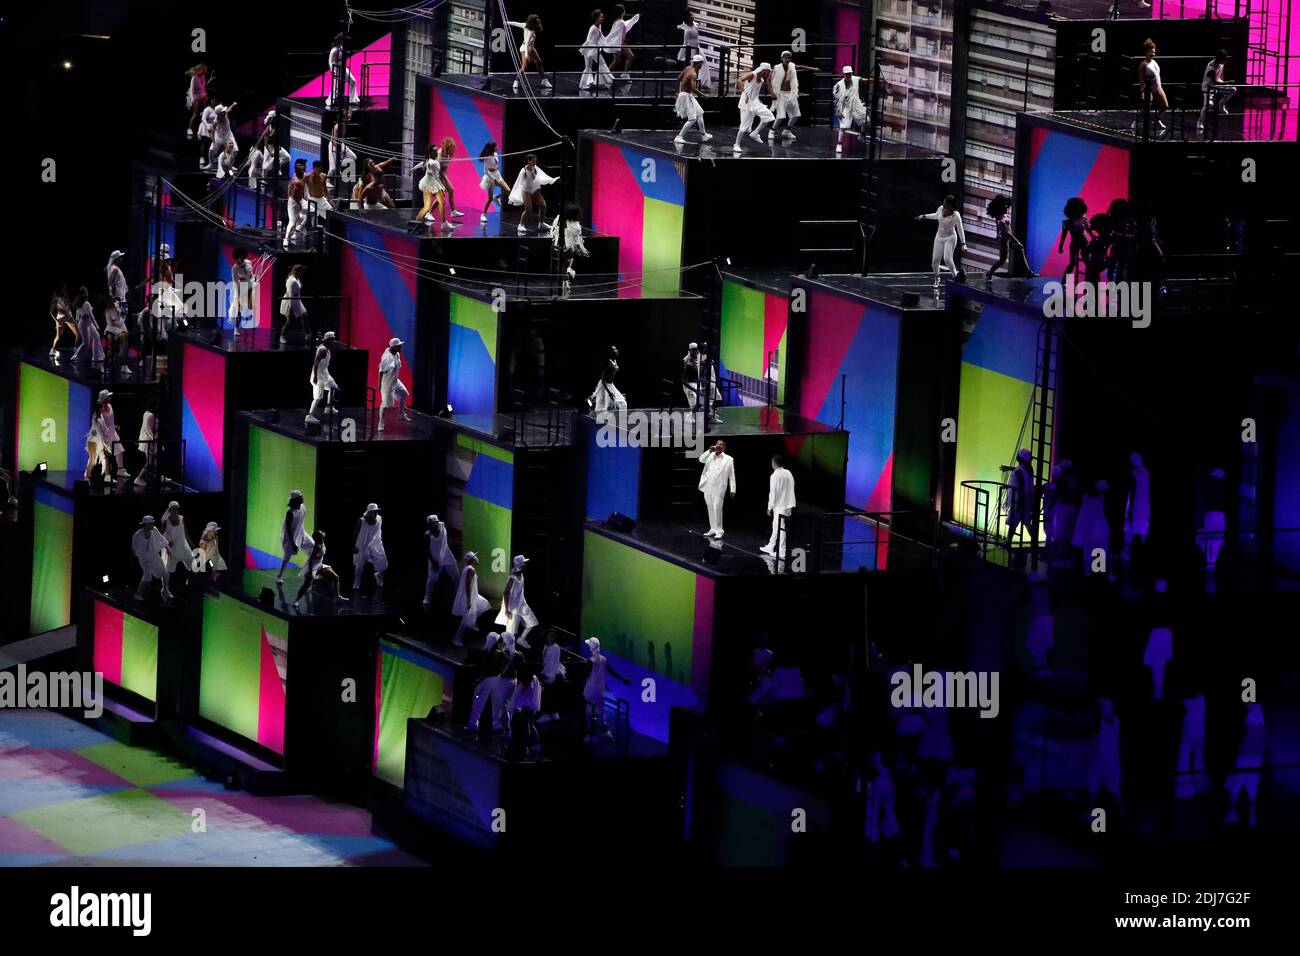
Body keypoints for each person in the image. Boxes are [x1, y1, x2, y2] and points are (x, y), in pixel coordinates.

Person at [1223, 703, 1266, 826]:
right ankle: (1252, 818)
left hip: (1244, 760)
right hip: (1255, 761)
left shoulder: (1249, 730)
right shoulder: (1263, 731)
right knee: (1252, 789)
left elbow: (1243, 747)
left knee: (1234, 786)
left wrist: (1236, 761)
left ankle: (1233, 815)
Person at [916, 196, 967, 294]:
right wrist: (924, 216)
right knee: (935, 261)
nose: (944, 204)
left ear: (951, 206)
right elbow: (935, 215)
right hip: (939, 237)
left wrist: (963, 243)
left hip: (950, 237)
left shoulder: (956, 215)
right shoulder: (940, 209)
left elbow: (960, 229)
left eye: (946, 203)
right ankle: (937, 279)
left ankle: (955, 276)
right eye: (944, 202)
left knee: (947, 259)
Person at [582, 637, 629, 740]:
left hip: (590, 690)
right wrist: (622, 679)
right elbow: (612, 672)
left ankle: (590, 734)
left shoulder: (590, 661)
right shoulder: (604, 659)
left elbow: (584, 677)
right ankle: (607, 733)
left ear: (591, 647)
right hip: (600, 690)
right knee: (601, 712)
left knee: (588, 713)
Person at [770, 51, 817, 142]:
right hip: (781, 94)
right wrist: (772, 93)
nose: (787, 59)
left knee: (796, 114)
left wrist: (813, 68)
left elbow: (801, 67)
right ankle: (772, 130)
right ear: (782, 58)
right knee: (781, 116)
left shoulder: (792, 66)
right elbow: (770, 79)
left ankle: (787, 131)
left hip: (791, 94)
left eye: (789, 57)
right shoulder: (776, 68)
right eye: (786, 57)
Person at [293, 530, 349, 606]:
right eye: (320, 534)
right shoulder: (317, 546)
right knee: (306, 584)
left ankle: (338, 596)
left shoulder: (322, 540)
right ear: (317, 538)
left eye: (321, 533)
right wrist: (310, 571)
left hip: (319, 564)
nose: (322, 534)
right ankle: (296, 600)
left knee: (336, 577)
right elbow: (311, 560)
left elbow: (324, 533)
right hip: (313, 565)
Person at [985, 195, 1032, 280]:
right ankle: (989, 273)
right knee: (1002, 260)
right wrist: (1017, 241)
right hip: (1005, 240)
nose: (1007, 207)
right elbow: (1007, 233)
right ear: (1000, 207)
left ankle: (1028, 272)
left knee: (1020, 250)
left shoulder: (1003, 215)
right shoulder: (1001, 219)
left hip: (1007, 239)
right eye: (1005, 205)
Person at [508, 154, 558, 234]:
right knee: (529, 209)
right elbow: (519, 183)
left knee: (543, 205)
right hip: (526, 190)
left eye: (536, 161)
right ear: (528, 161)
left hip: (534, 189)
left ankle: (541, 224)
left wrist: (549, 180)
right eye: (533, 161)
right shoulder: (523, 171)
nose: (535, 163)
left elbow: (541, 176)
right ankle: (521, 224)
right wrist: (520, 194)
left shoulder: (535, 168)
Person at [495, 554, 538, 646]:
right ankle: (508, 652)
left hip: (522, 605)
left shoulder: (521, 574)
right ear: (520, 565)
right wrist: (506, 610)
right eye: (524, 563)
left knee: (532, 622)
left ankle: (521, 639)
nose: (526, 565)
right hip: (513, 608)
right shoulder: (512, 578)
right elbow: (506, 593)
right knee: (510, 634)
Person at [733, 63, 775, 154]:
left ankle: (755, 133)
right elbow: (739, 80)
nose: (769, 73)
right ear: (764, 70)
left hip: (755, 102)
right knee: (744, 126)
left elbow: (755, 92)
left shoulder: (763, 80)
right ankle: (736, 144)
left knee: (769, 116)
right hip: (746, 102)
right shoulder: (753, 75)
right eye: (768, 71)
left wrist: (757, 100)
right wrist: (745, 92)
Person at [1087, 698, 1122, 809]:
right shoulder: (1100, 723)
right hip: (1101, 760)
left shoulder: (1114, 722)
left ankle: (1120, 809)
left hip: (1110, 760)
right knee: (1093, 786)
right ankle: (1091, 809)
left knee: (1114, 787)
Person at [451, 551, 492, 645]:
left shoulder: (468, 568)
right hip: (469, 597)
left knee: (485, 605)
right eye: (475, 557)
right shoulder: (470, 569)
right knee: (465, 618)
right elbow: (467, 585)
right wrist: (469, 600)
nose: (477, 558)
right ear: (473, 559)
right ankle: (456, 638)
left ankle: (471, 623)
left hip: (474, 596)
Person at [699, 439, 736, 538]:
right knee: (710, 508)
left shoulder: (729, 459)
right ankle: (713, 528)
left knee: (717, 508)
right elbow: (701, 459)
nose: (718, 446)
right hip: (707, 486)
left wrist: (733, 489)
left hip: (719, 488)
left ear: (724, 447)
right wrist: (708, 451)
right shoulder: (710, 455)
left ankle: (719, 530)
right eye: (717, 444)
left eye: (721, 444)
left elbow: (732, 475)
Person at [1072, 479, 1111, 573]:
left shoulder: (1087, 498)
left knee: (1091, 550)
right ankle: (1096, 572)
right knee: (1098, 549)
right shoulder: (1099, 499)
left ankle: (1091, 572)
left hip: (1091, 528)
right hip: (1095, 528)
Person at [85, 389, 124, 481]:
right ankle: (87, 476)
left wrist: (113, 428)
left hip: (100, 440)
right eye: (101, 406)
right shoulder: (96, 417)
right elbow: (96, 431)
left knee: (105, 458)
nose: (103, 407)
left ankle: (106, 476)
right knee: (93, 460)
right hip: (94, 441)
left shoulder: (101, 417)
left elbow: (104, 428)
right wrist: (103, 440)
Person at [132, 516, 173, 601]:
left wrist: (168, 549)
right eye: (151, 523)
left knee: (166, 573)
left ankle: (165, 590)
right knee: (148, 578)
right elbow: (134, 549)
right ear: (146, 524)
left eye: (152, 523)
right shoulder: (137, 535)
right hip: (144, 560)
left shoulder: (154, 530)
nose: (153, 524)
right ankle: (138, 593)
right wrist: (141, 556)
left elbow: (162, 539)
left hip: (154, 556)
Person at [762, 455, 796, 557]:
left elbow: (773, 493)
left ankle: (782, 551)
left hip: (780, 505)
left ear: (774, 464)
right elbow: (792, 486)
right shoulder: (788, 472)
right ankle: (771, 545)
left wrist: (769, 507)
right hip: (788, 504)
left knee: (781, 527)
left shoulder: (774, 476)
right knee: (776, 526)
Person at [673, 55, 711, 145]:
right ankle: (679, 137)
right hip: (686, 96)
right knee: (692, 119)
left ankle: (704, 135)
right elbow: (694, 89)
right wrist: (703, 95)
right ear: (699, 63)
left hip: (686, 95)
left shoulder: (687, 68)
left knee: (700, 113)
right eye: (701, 63)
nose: (702, 66)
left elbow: (678, 79)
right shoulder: (693, 74)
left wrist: (677, 92)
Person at [508, 662, 543, 756]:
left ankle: (526, 746)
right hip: (529, 706)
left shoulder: (527, 683)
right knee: (530, 725)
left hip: (526, 706)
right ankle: (535, 744)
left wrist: (519, 707)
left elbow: (523, 695)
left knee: (526, 726)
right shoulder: (533, 678)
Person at [376, 337, 412, 433]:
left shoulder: (397, 354)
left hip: (395, 380)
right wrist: (379, 383)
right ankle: (381, 423)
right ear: (394, 347)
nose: (401, 347)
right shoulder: (386, 357)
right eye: (399, 346)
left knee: (404, 393)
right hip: (387, 382)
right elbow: (381, 370)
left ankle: (400, 414)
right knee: (385, 404)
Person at [423, 514, 459, 607]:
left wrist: (450, 540)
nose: (433, 525)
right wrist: (433, 562)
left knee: (456, 575)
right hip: (435, 559)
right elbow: (426, 551)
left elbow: (447, 534)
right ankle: (427, 597)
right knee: (431, 579)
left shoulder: (442, 525)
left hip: (447, 555)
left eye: (435, 523)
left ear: (437, 522)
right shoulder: (427, 535)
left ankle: (459, 595)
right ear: (429, 525)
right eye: (431, 524)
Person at [276, 489, 311, 584]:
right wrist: (293, 542)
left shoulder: (303, 507)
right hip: (290, 536)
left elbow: (300, 521)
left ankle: (308, 572)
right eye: (301, 497)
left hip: (301, 532)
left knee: (313, 548)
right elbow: (288, 529)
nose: (303, 498)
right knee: (287, 556)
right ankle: (279, 576)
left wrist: (302, 534)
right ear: (296, 500)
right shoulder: (290, 512)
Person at [508, 14, 550, 92]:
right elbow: (527, 43)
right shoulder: (531, 31)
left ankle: (544, 80)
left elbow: (516, 23)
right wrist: (527, 55)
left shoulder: (525, 25)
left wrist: (507, 22)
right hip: (526, 48)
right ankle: (516, 81)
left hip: (530, 48)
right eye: (536, 21)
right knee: (525, 66)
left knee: (539, 63)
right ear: (533, 23)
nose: (538, 22)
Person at [414, 144, 451, 230]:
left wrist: (414, 168)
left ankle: (444, 223)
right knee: (427, 206)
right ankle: (415, 223)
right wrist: (442, 187)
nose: (437, 151)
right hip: (430, 184)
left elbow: (422, 163)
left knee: (442, 201)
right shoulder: (433, 163)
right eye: (434, 150)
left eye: (437, 150)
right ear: (430, 153)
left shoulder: (431, 160)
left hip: (432, 183)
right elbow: (436, 177)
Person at [1198, 49, 1236, 134]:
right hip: (1208, 87)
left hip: (1217, 85)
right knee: (1209, 105)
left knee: (1233, 89)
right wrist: (1228, 82)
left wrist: (1225, 84)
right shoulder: (1211, 66)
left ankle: (1221, 104)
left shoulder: (1221, 64)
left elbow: (1220, 79)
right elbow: (1214, 81)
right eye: (1224, 59)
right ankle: (1200, 122)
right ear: (1219, 58)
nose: (1226, 60)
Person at [352, 502, 388, 592]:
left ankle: (378, 575)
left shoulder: (380, 519)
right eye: (373, 512)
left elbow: (378, 530)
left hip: (376, 545)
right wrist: (353, 547)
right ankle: (357, 581)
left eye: (376, 511)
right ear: (369, 512)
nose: (376, 513)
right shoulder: (361, 521)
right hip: (362, 546)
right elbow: (355, 534)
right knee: (359, 567)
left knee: (384, 565)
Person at [1134, 39, 1167, 134]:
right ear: (1146, 52)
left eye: (1154, 52)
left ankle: (1156, 120)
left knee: (1165, 106)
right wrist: (1142, 92)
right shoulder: (1143, 65)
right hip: (1149, 88)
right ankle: (1135, 122)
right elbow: (1141, 80)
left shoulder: (1154, 62)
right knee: (1146, 108)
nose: (1153, 54)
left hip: (1158, 87)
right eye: (1151, 52)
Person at [306, 331, 340, 426]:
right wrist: (316, 377)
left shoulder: (327, 348)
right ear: (328, 340)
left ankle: (328, 407)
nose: (334, 341)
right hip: (319, 375)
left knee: (334, 387)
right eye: (332, 340)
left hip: (325, 373)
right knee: (318, 397)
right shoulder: (323, 350)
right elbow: (316, 363)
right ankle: (309, 416)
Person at [682, 342, 722, 421]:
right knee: (697, 401)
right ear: (690, 351)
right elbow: (684, 380)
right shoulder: (689, 363)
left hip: (701, 383)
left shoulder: (701, 359)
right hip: (691, 385)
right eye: (693, 350)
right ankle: (690, 416)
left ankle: (711, 414)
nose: (696, 352)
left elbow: (702, 372)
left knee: (716, 398)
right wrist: (697, 389)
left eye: (696, 350)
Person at [832, 66, 867, 154]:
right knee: (843, 126)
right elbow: (836, 99)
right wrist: (838, 110)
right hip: (845, 106)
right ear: (844, 74)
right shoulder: (839, 85)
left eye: (850, 73)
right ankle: (839, 144)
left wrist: (880, 81)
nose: (849, 75)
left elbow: (864, 80)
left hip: (856, 104)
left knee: (865, 120)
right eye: (847, 74)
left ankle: (862, 134)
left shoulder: (855, 79)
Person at [552, 202, 591, 279]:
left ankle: (565, 269)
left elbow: (553, 230)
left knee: (570, 251)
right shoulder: (575, 225)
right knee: (571, 253)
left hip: (556, 245)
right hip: (565, 247)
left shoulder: (559, 218)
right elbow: (577, 240)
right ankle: (566, 270)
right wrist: (582, 250)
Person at [579, 10, 614, 92]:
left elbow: (601, 37)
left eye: (602, 16)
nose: (603, 18)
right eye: (601, 17)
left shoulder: (599, 26)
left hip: (593, 49)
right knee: (601, 63)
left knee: (589, 66)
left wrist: (606, 44)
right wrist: (595, 48)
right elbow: (588, 40)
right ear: (596, 18)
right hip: (590, 49)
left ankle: (585, 84)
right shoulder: (593, 28)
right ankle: (610, 80)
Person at [1124, 451, 1151, 558]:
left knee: (1139, 527)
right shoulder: (1139, 472)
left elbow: (1139, 490)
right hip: (1138, 503)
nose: (1133, 461)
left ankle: (1138, 555)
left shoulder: (1141, 472)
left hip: (1140, 504)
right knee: (1137, 528)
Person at [676, 12, 711, 92]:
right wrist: (684, 52)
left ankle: (704, 82)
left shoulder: (695, 24)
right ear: (688, 18)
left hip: (697, 48)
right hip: (691, 49)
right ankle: (691, 83)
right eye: (691, 15)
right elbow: (685, 42)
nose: (693, 16)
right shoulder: (687, 30)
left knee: (704, 63)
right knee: (693, 67)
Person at [161, 500, 193, 587]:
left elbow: (185, 530)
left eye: (177, 509)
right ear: (169, 510)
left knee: (191, 561)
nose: (175, 511)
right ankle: (165, 588)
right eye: (173, 509)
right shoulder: (165, 521)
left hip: (183, 544)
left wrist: (190, 541)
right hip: (172, 547)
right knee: (169, 569)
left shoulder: (182, 518)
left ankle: (190, 581)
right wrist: (167, 543)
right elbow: (160, 536)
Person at [604, 5, 641, 78]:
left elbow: (622, 29)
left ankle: (624, 73)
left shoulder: (618, 21)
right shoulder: (620, 22)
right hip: (619, 44)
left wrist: (634, 19)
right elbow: (618, 35)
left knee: (623, 59)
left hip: (619, 43)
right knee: (620, 60)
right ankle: (606, 76)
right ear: (622, 12)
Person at [587, 345, 627, 412]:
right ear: (611, 352)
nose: (617, 350)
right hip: (604, 386)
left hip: (611, 385)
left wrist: (612, 391)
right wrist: (609, 393)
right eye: (615, 349)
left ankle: (591, 399)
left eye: (616, 349)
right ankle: (589, 402)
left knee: (623, 403)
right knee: (601, 409)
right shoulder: (608, 363)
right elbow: (603, 381)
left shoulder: (614, 360)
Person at [1057, 197, 1089, 279]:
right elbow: (1063, 236)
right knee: (1073, 263)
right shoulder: (1067, 222)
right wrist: (1060, 247)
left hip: (1084, 242)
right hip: (1075, 243)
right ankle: (1064, 280)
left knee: (1087, 261)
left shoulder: (1083, 219)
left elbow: (1089, 231)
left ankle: (1089, 280)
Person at [326, 33, 360, 109]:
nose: (342, 42)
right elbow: (330, 61)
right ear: (339, 41)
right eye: (341, 40)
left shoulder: (341, 47)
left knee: (353, 81)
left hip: (343, 67)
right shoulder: (333, 50)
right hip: (336, 69)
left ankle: (353, 99)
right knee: (336, 87)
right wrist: (333, 71)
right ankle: (329, 102)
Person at [71, 286, 104, 365]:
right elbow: (91, 316)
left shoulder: (81, 303)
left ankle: (97, 356)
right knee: (86, 343)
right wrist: (97, 326)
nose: (87, 292)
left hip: (87, 323)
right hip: (84, 325)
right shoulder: (86, 303)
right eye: (86, 291)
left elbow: (77, 316)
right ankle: (75, 356)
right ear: (85, 293)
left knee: (96, 337)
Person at [478, 141, 509, 223]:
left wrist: (496, 175)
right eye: (496, 146)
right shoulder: (487, 157)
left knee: (508, 190)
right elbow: (485, 171)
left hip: (497, 175)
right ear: (492, 148)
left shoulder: (495, 154)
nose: (497, 147)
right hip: (490, 178)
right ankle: (483, 214)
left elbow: (495, 165)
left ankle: (497, 197)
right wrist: (494, 179)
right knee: (490, 199)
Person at [539, 630, 566, 722]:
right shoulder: (545, 646)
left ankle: (548, 715)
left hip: (551, 674)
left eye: (553, 636)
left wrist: (548, 675)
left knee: (549, 695)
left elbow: (553, 663)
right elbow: (545, 661)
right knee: (549, 695)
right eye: (550, 635)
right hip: (546, 672)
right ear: (546, 637)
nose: (552, 637)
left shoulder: (555, 648)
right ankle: (553, 714)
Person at [228, 247, 255, 337]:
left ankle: (248, 316)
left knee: (250, 306)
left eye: (242, 256)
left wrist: (254, 280)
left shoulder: (249, 262)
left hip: (250, 285)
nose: (241, 259)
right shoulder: (234, 269)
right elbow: (235, 282)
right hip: (241, 287)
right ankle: (236, 328)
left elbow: (251, 275)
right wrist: (237, 294)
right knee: (239, 309)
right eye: (239, 257)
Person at [206, 99, 238, 173]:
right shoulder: (216, 121)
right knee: (211, 150)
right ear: (219, 114)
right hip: (219, 136)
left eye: (224, 111)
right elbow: (211, 132)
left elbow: (229, 108)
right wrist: (214, 143)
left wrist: (233, 104)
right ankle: (211, 164)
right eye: (222, 111)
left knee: (236, 150)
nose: (224, 112)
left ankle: (230, 165)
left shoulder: (225, 113)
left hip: (228, 136)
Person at [133, 402, 159, 488]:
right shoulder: (150, 415)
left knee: (155, 458)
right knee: (149, 462)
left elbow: (143, 427)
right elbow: (147, 429)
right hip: (149, 440)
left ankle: (159, 476)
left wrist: (140, 438)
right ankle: (138, 478)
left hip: (148, 439)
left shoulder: (146, 413)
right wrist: (154, 439)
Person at [284, 160, 308, 249]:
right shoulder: (295, 181)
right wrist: (300, 203)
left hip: (300, 201)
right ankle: (286, 239)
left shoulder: (304, 177)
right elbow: (292, 195)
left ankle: (299, 232)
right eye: (301, 170)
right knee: (293, 221)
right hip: (294, 202)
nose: (303, 171)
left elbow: (305, 192)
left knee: (303, 217)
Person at [280, 264, 307, 343]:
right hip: (290, 301)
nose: (301, 273)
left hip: (297, 300)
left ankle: (307, 334)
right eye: (300, 272)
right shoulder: (292, 281)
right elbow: (290, 295)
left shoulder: (296, 278)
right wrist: (290, 307)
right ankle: (282, 336)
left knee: (305, 316)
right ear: (296, 271)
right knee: (289, 321)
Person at [49, 286, 79, 356]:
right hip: (60, 318)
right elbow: (51, 312)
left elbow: (67, 305)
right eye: (63, 288)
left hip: (69, 316)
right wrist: (56, 321)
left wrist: (70, 303)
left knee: (78, 334)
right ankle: (52, 350)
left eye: (65, 288)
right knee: (59, 336)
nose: (65, 289)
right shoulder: (55, 299)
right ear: (60, 290)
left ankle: (76, 350)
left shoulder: (65, 296)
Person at [106, 251, 129, 332]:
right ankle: (116, 338)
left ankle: (116, 338)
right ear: (116, 259)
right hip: (118, 298)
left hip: (120, 297)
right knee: (120, 320)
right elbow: (110, 283)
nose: (121, 259)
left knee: (122, 318)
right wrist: (113, 298)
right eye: (120, 257)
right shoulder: (115, 269)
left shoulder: (114, 268)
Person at [304, 160, 333, 225]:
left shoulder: (324, 176)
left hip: (321, 199)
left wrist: (330, 200)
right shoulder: (307, 177)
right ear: (313, 168)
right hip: (312, 199)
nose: (319, 170)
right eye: (317, 168)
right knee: (313, 218)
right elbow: (302, 187)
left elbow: (325, 189)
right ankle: (315, 233)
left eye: (320, 168)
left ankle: (329, 231)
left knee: (331, 213)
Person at [185, 63, 209, 138]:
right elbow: (192, 89)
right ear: (201, 69)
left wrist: (204, 93)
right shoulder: (194, 78)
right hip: (197, 97)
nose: (206, 71)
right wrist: (192, 100)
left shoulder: (203, 76)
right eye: (205, 69)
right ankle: (189, 129)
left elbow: (203, 87)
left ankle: (203, 112)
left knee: (206, 98)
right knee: (194, 115)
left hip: (203, 95)